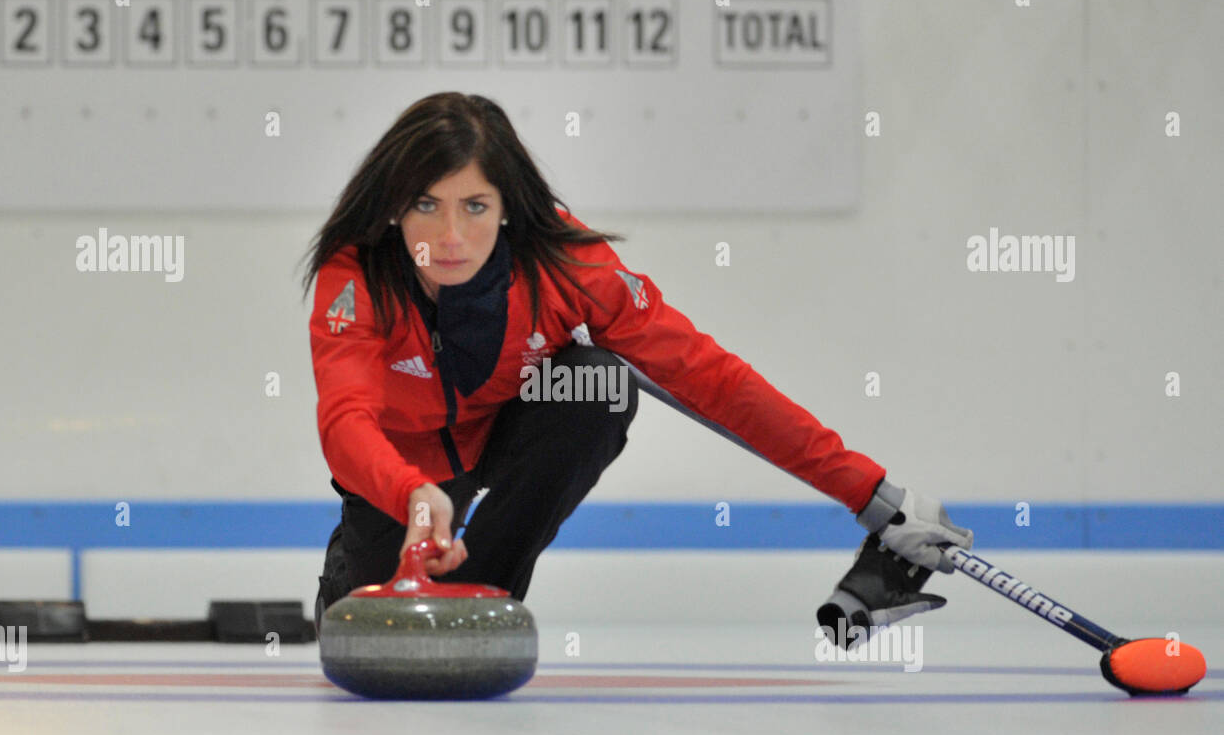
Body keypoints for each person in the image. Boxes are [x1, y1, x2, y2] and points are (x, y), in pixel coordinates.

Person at [300, 92, 973, 644]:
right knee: (351, 629)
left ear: (507, 209)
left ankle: (481, 597)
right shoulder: (356, 277)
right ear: (393, 205)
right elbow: (345, 422)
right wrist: (410, 492)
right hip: (403, 470)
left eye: (474, 207)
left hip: (512, 427)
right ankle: (374, 569)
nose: (450, 237)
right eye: (426, 204)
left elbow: (714, 380)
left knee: (600, 382)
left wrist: (871, 493)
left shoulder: (569, 265)